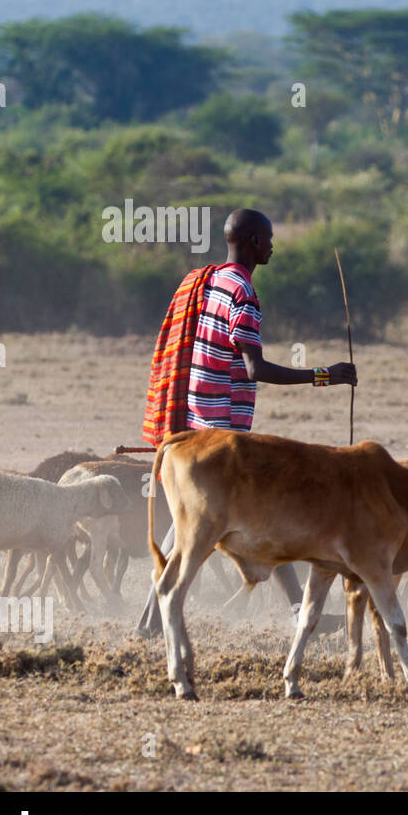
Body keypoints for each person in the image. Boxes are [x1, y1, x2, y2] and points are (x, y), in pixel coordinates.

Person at [134, 208, 356, 638]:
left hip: (193, 425)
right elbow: (253, 368)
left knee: (201, 529)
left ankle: (150, 625)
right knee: (264, 519)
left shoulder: (210, 281)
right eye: (269, 238)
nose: (273, 245)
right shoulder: (243, 294)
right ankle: (153, 623)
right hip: (222, 438)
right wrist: (324, 375)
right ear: (253, 241)